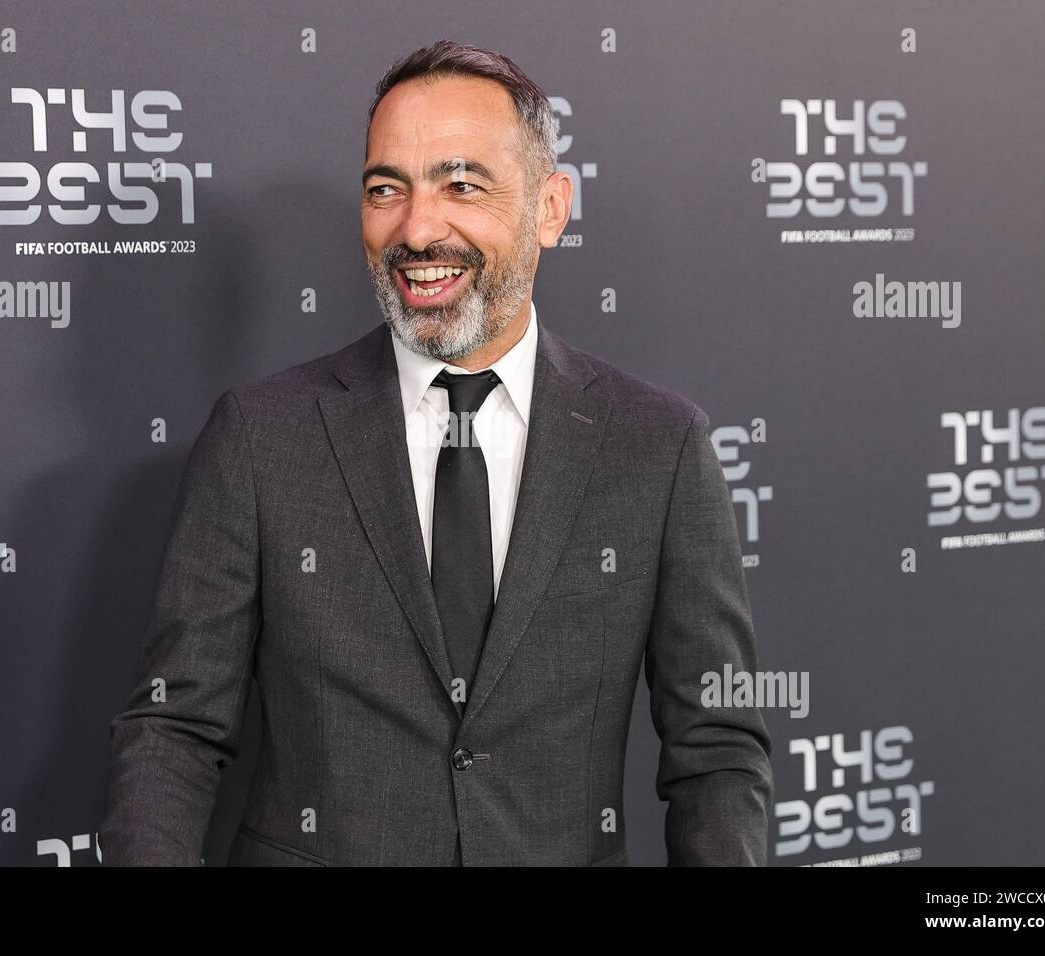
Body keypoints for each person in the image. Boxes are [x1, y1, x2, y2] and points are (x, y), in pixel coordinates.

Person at [99, 39, 773, 866]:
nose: (418, 229)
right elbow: (173, 729)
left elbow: (716, 752)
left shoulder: (659, 446)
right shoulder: (258, 437)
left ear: (551, 208)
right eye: (387, 189)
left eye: (463, 185)